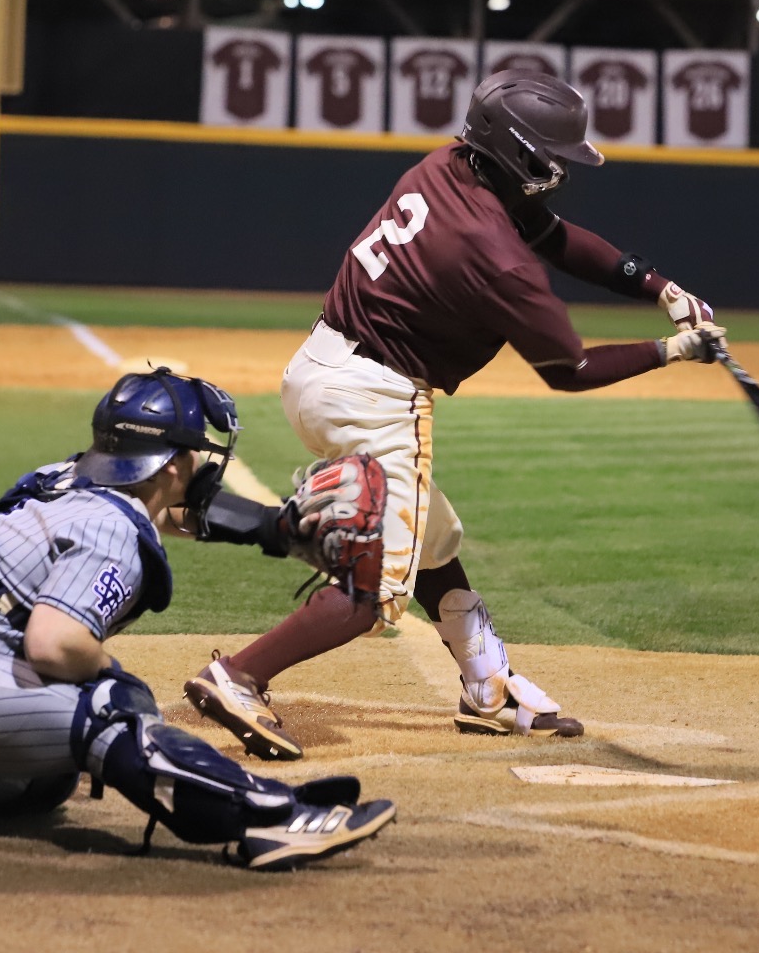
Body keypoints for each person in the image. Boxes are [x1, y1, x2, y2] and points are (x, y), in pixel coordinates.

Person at [182, 67, 727, 761]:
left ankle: (487, 687)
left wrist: (658, 285)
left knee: (435, 535)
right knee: (376, 589)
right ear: (523, 156)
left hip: (319, 368)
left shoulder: (449, 166)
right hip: (376, 397)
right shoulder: (493, 256)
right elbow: (572, 369)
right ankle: (239, 676)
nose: (560, 172)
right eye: (553, 160)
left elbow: (554, 236)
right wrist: (671, 349)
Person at [0, 369, 396, 870]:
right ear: (174, 464)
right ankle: (271, 819)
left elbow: (169, 513)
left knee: (41, 782)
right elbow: (53, 644)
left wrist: (275, 529)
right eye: (195, 454)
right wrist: (111, 673)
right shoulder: (110, 530)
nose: (203, 467)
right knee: (111, 703)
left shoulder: (64, 479)